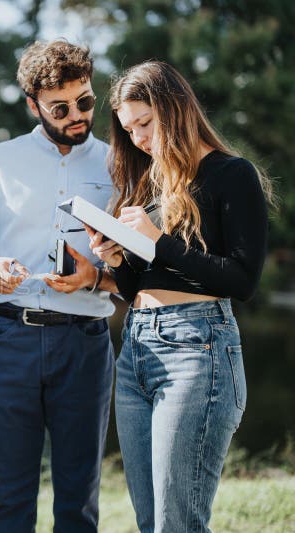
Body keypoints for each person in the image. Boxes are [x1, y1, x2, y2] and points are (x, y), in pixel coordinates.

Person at [89, 60, 270, 533]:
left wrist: (156, 242)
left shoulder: (233, 175)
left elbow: (242, 281)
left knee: (177, 525)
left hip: (198, 350)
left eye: (144, 124)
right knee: (151, 522)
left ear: (174, 110)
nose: (138, 139)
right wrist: (116, 261)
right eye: (128, 130)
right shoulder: (151, 185)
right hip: (136, 350)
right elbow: (139, 288)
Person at [0, 40, 117, 532]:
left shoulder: (117, 165)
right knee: (12, 500)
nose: (76, 116)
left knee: (78, 501)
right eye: (60, 108)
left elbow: (139, 269)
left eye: (85, 102)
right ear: (33, 105)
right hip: (10, 340)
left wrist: (96, 276)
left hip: (85, 344)